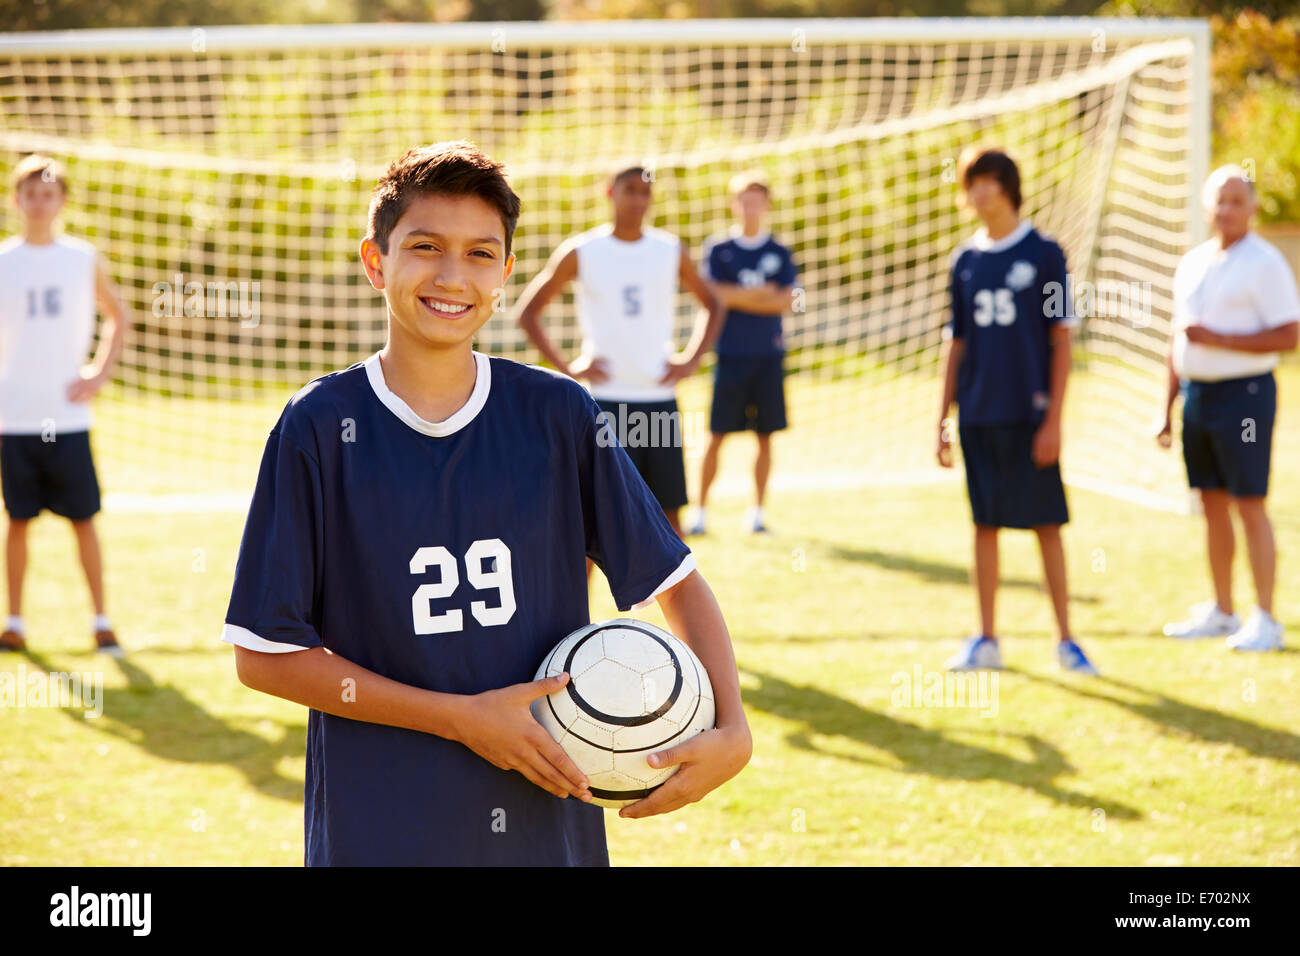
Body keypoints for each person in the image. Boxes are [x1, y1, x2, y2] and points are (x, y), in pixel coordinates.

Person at [221, 142, 751, 866]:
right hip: (381, 823)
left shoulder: (557, 414)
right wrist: (461, 720)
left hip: (543, 823)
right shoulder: (319, 425)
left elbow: (675, 582)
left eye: (479, 254)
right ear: (377, 263)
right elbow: (266, 655)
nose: (451, 275)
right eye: (425, 247)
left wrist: (734, 725)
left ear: (505, 275)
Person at [936, 148, 1097, 674]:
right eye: (972, 184)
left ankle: (1067, 640)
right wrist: (942, 417)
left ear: (1008, 187)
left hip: (1030, 417)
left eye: (988, 181)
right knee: (984, 525)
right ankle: (986, 639)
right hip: (979, 414)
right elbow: (956, 345)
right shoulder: (964, 261)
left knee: (1047, 525)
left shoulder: (1046, 253)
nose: (979, 193)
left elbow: (1062, 341)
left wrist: (1053, 420)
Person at [514, 163, 724, 539]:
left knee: (668, 520)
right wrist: (570, 368)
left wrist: (690, 360)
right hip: (605, 404)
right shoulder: (583, 250)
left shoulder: (669, 248)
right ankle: (579, 601)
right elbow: (528, 313)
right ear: (610, 192)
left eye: (646, 192)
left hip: (658, 398)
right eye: (630, 190)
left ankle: (668, 598)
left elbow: (714, 304)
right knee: (592, 521)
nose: (639, 199)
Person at [1159, 165, 1300, 651]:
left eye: (1236, 200)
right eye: (1219, 201)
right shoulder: (1194, 262)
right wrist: (1167, 405)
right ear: (1206, 207)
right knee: (1211, 504)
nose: (1226, 210)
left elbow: (1289, 334)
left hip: (1245, 398)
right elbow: (1178, 338)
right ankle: (1222, 609)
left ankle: (1265, 617)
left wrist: (1219, 339)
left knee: (1249, 504)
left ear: (1253, 207)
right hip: (1198, 397)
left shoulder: (1265, 263)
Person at [0, 154, 127, 655]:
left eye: (48, 193)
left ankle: (101, 621)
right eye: (29, 193)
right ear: (17, 200)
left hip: (68, 416)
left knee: (83, 519)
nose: (38, 202)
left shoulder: (82, 258)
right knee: (17, 521)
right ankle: (14, 622)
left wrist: (98, 372)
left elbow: (118, 316)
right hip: (14, 416)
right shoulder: (4, 261)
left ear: (61, 201)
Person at [688, 172, 799, 536]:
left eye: (757, 201)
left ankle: (757, 512)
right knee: (716, 435)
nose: (750, 208)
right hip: (730, 355)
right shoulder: (719, 250)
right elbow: (714, 295)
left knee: (765, 436)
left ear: (767, 205)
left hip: (768, 357)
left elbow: (790, 300)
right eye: (743, 200)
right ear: (734, 204)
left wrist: (740, 296)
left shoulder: (779, 252)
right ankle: (700, 512)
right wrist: (761, 295)